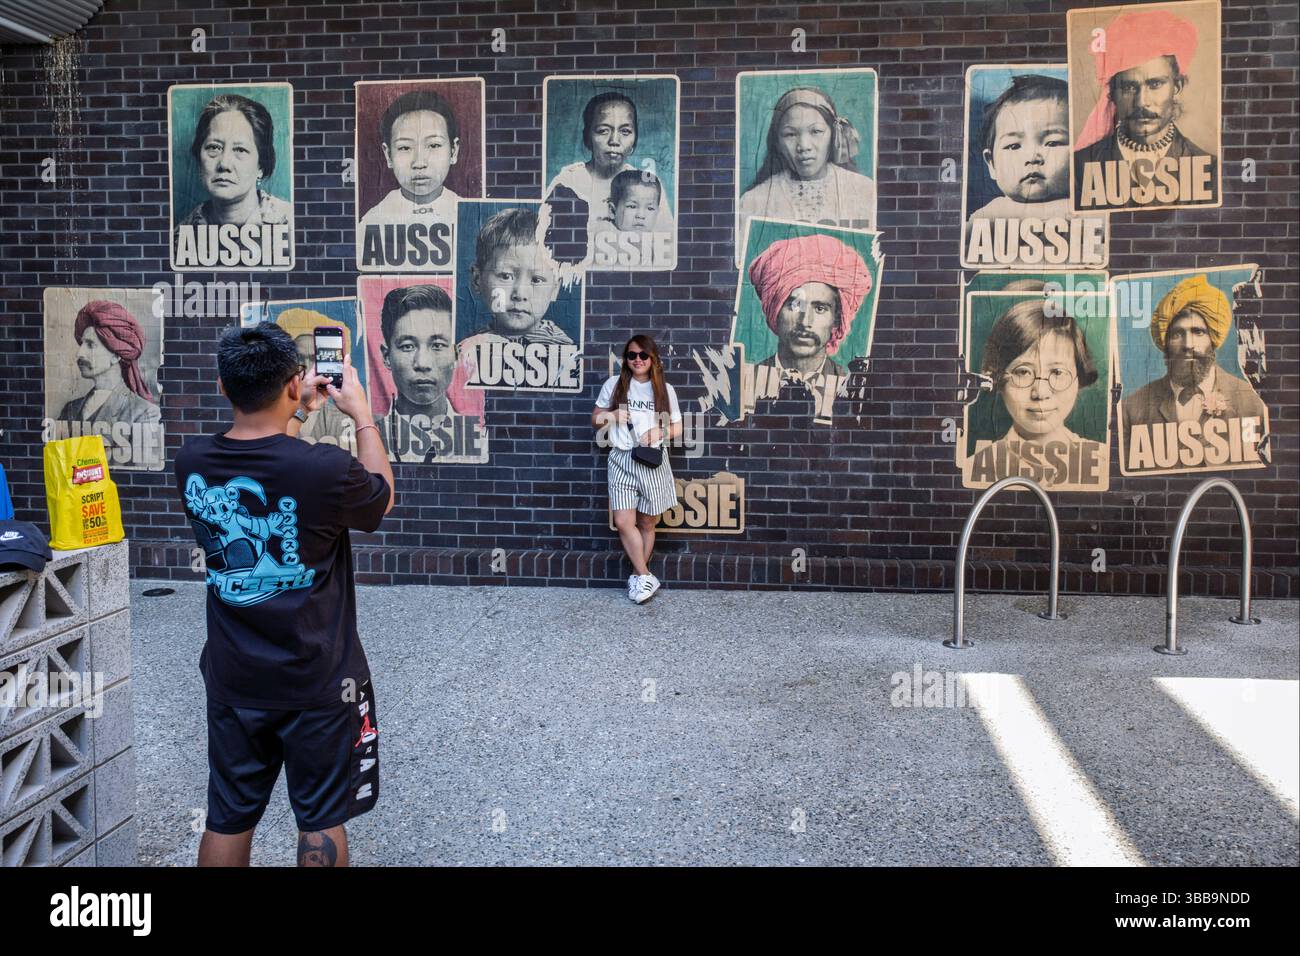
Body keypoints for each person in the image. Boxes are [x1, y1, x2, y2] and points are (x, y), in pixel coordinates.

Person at [174, 322, 395, 867]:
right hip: (316, 679)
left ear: (223, 388)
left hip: (234, 677)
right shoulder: (324, 469)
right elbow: (380, 501)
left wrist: (295, 415)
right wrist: (362, 416)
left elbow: (266, 460)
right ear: (295, 382)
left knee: (227, 817)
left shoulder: (192, 463)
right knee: (321, 818)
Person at [1072, 8, 1217, 208]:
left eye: (1155, 84)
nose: (1141, 102)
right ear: (1112, 93)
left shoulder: (1210, 169)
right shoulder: (1079, 166)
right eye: (1129, 87)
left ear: (1177, 88)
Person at [592, 335, 682, 605]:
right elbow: (595, 419)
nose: (638, 360)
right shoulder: (615, 385)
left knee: (646, 522)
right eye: (632, 355)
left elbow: (678, 428)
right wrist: (613, 416)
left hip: (651, 461)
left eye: (643, 355)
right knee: (623, 522)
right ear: (626, 359)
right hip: (621, 458)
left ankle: (638, 577)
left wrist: (660, 430)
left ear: (653, 358)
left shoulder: (664, 389)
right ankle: (645, 574)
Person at [1122, 275, 1266, 430]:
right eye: (1177, 334)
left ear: (1212, 338)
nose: (1188, 345)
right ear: (1166, 343)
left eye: (1198, 332)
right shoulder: (1132, 408)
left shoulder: (1252, 401)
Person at [738, 87, 875, 242]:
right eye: (790, 134)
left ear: (834, 135)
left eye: (816, 131)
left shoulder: (865, 192)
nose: (803, 146)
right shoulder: (754, 201)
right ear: (777, 142)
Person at [977, 297, 1102, 463]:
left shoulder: (1104, 461)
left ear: (1079, 378)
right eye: (1023, 372)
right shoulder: (974, 467)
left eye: (1057, 372)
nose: (1041, 393)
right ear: (997, 379)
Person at [746, 233, 874, 386]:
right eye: (795, 305)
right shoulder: (744, 383)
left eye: (820, 308)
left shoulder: (849, 389)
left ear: (837, 320)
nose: (805, 321)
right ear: (775, 312)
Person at [545, 91, 675, 235]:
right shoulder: (567, 182)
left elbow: (667, 242)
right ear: (587, 137)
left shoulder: (647, 184)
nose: (614, 140)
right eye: (603, 131)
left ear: (635, 139)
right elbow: (547, 242)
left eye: (625, 131)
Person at [175, 94, 291, 233]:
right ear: (199, 160)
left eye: (240, 150)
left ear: (261, 165)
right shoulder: (181, 237)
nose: (224, 164)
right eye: (214, 147)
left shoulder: (291, 225)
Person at [460, 207, 574, 347]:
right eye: (506, 276)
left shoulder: (566, 351)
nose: (520, 294)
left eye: (536, 280)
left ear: (555, 289)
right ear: (477, 280)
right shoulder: (468, 348)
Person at [969, 74, 1072, 223]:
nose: (1031, 157)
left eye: (1052, 143)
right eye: (1013, 146)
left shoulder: (1090, 212)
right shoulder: (988, 217)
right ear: (991, 164)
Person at [357, 89, 462, 235]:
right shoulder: (372, 221)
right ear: (388, 155)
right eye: (405, 147)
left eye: (434, 145)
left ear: (453, 151)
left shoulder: (467, 215)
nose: (419, 163)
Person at [57, 300, 160, 426]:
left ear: (116, 355)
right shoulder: (70, 409)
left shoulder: (144, 413)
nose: (79, 353)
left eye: (90, 345)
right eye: (82, 344)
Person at [274, 308, 354, 448]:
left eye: (312, 358)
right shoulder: (272, 414)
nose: (305, 365)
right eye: (299, 357)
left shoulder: (340, 418)